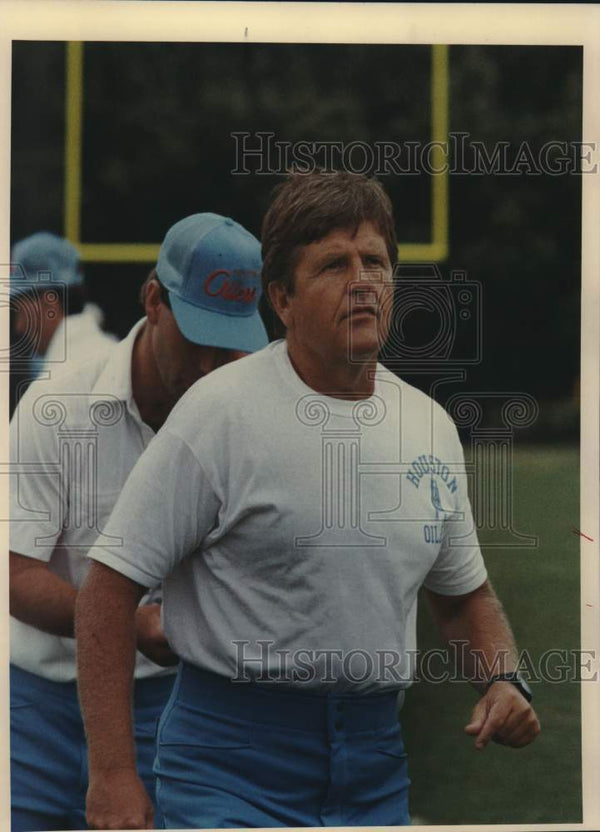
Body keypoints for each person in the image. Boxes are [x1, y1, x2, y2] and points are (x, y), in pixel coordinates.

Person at [76, 173, 540, 830]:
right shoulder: (219, 413)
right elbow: (106, 589)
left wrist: (504, 679)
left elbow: (464, 597)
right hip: (228, 765)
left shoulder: (429, 424)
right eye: (333, 265)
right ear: (282, 299)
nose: (361, 281)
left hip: (375, 766)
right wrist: (114, 773)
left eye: (374, 262)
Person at [9, 212, 268, 832]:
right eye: (197, 336)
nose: (211, 365)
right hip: (36, 705)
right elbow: (14, 576)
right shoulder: (55, 406)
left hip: (171, 708)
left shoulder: (243, 423)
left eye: (229, 341)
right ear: (153, 300)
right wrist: (128, 621)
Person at [10, 231, 118, 383]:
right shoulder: (113, 353)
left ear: (49, 303)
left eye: (21, 312)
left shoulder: (60, 377)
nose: (19, 327)